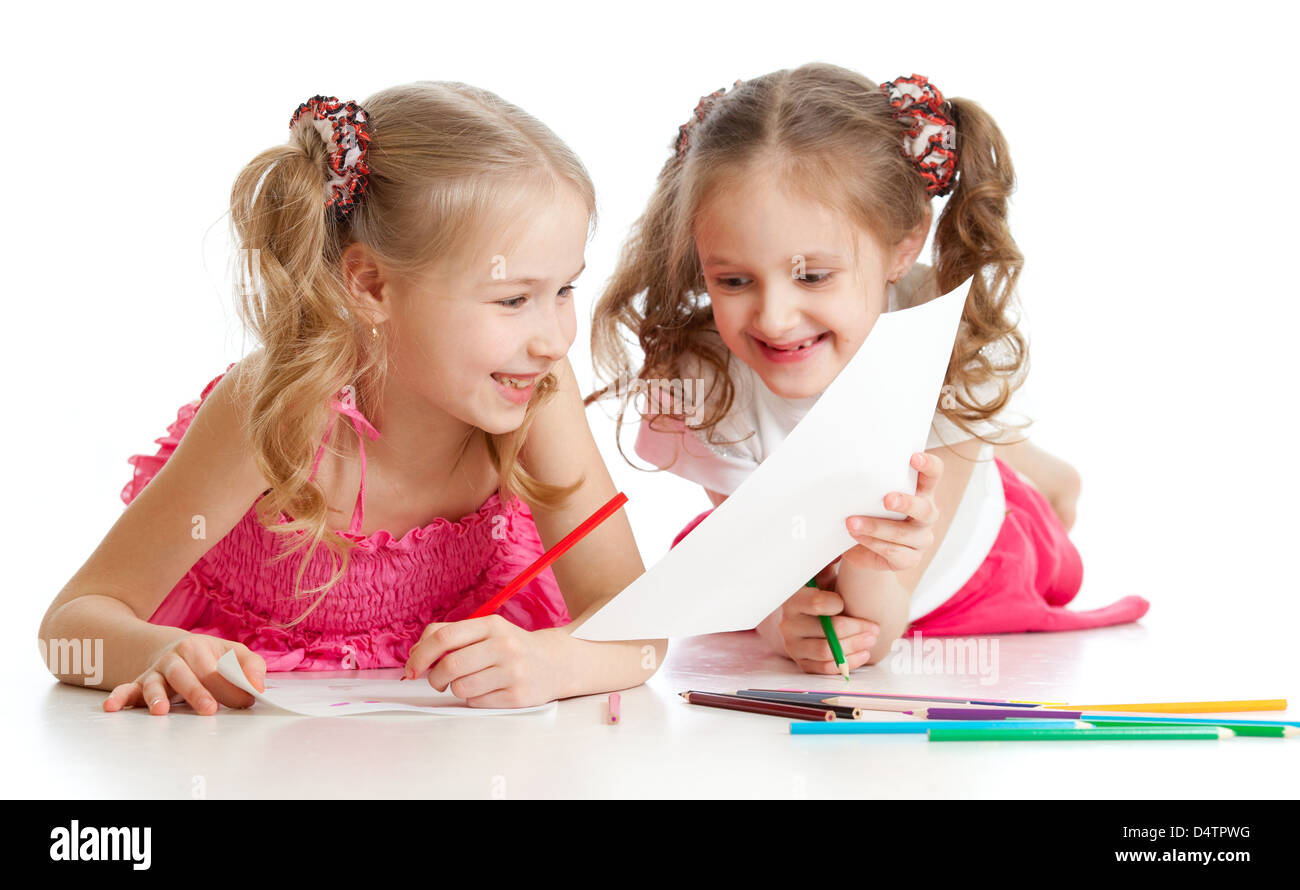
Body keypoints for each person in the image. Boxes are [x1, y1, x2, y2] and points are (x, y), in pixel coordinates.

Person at [40, 84, 661, 712]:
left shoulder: (537, 399)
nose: (555, 340)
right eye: (512, 299)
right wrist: (152, 652)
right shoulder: (274, 411)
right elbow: (71, 626)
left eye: (564, 291)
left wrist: (554, 662)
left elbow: (640, 627)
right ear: (370, 285)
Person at [587, 65, 1149, 676]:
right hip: (803, 533)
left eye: (811, 276)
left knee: (1053, 558)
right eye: (733, 280)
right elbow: (766, 570)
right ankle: (1004, 445)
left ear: (904, 245)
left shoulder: (947, 345)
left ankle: (1035, 472)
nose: (774, 319)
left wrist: (864, 566)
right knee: (709, 571)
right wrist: (785, 624)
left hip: (951, 569)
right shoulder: (702, 378)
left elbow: (877, 631)